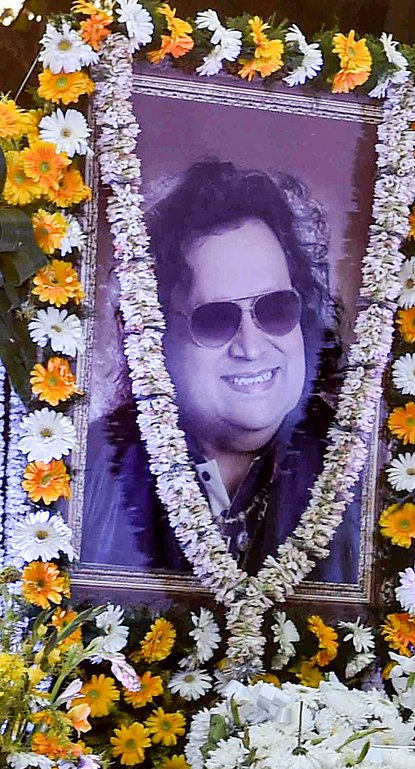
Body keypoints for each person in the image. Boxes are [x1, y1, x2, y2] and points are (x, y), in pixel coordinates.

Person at [82, 160, 360, 584]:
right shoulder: (85, 475)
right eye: (215, 319)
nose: (251, 347)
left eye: (275, 309)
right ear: (146, 334)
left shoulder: (360, 469)